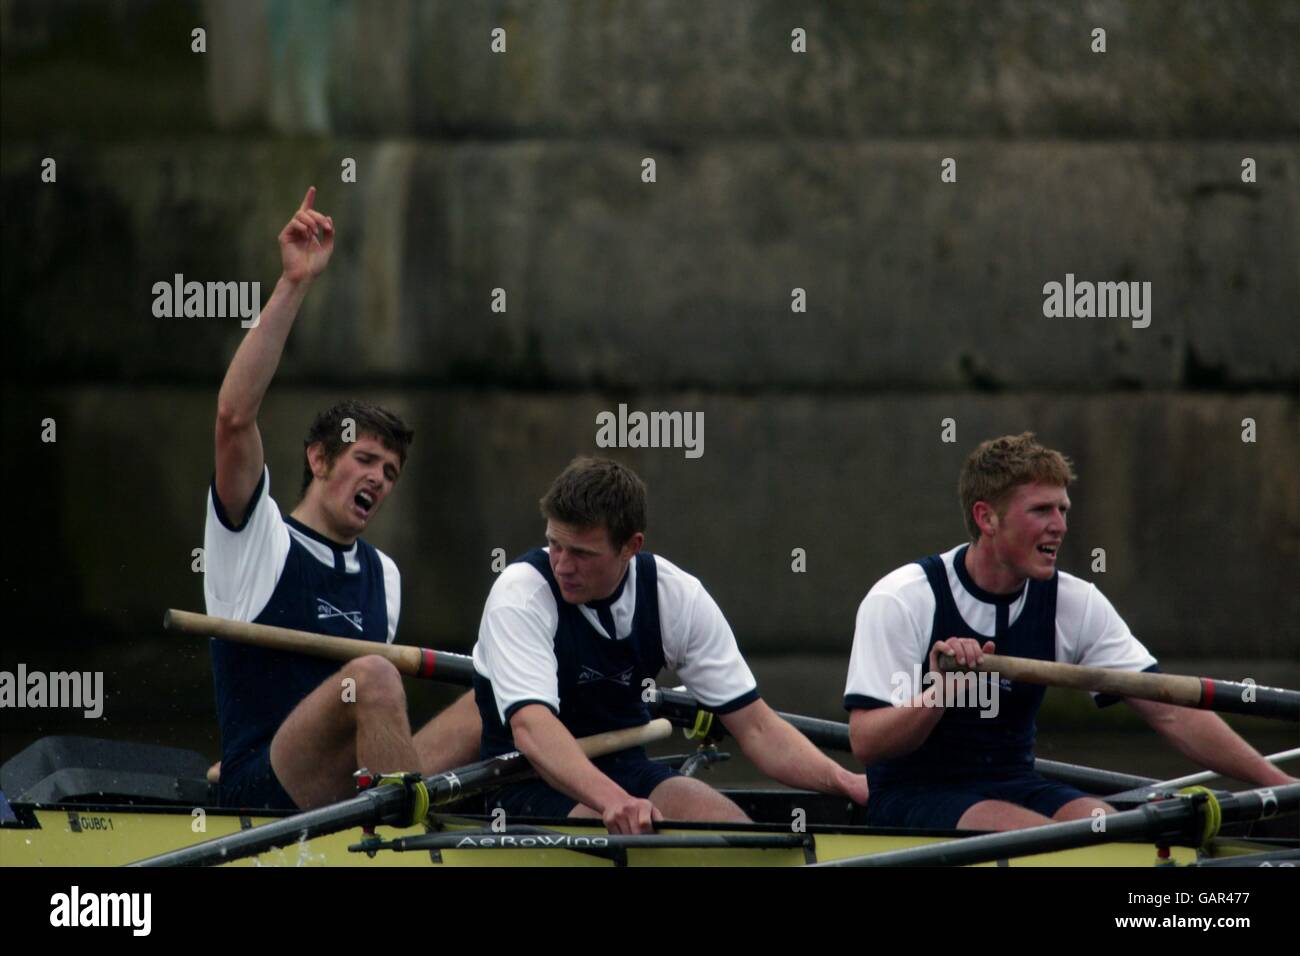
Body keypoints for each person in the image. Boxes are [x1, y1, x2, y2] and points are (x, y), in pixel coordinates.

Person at [845, 432, 1293, 832]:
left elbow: (1171, 712)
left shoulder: (1074, 603)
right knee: (1039, 842)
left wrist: (1283, 787)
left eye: (1063, 509)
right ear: (987, 518)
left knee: (1108, 831)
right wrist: (939, 695)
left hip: (1016, 784)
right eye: (1041, 510)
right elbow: (867, 743)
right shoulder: (903, 599)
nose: (1059, 525)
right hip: (914, 796)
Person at [204, 187, 480, 810]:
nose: (380, 478)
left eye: (390, 470)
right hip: (260, 788)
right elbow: (232, 417)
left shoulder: (384, 575)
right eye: (364, 459)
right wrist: (293, 284)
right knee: (376, 674)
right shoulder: (256, 537)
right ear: (319, 459)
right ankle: (407, 842)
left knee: (493, 699)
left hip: (341, 784)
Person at [472, 456, 867, 833]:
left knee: (723, 824)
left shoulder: (673, 596)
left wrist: (846, 782)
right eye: (555, 544)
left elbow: (758, 729)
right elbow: (532, 728)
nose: (562, 565)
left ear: (631, 546)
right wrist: (614, 800)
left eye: (581, 553)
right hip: (523, 781)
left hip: (626, 769)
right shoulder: (521, 593)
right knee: (614, 832)